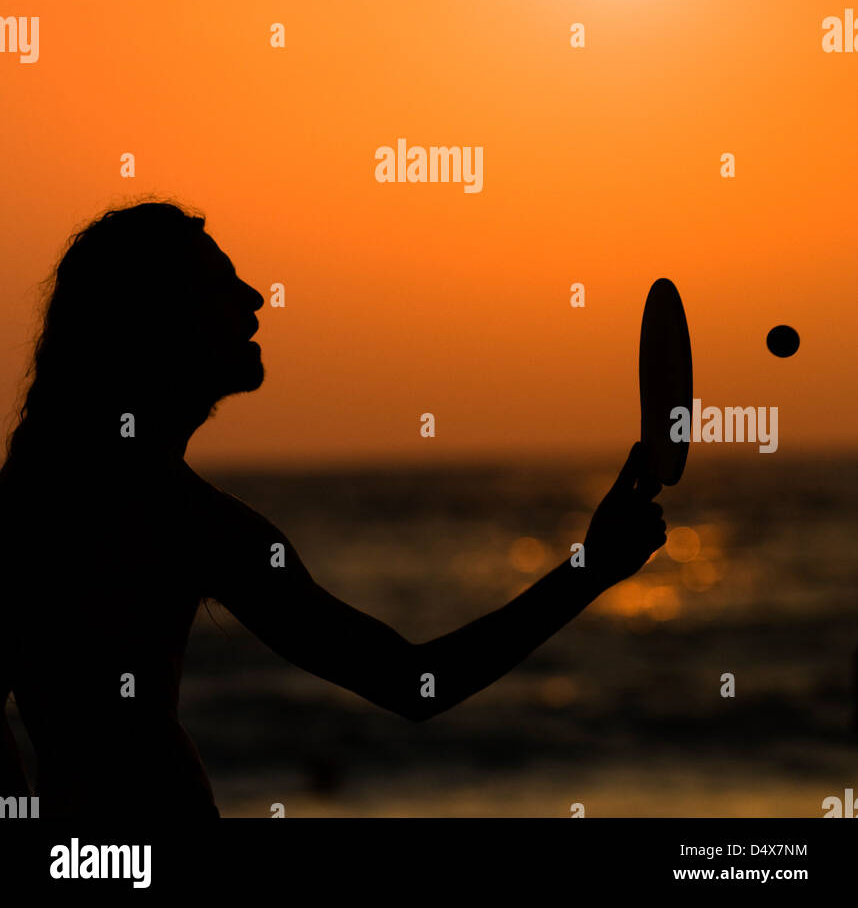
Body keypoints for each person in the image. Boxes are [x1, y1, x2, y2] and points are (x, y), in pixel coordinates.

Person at [0, 200, 666, 818]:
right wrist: (590, 570)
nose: (254, 299)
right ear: (160, 321)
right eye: (221, 284)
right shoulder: (176, 516)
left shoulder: (59, 490)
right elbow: (414, 685)